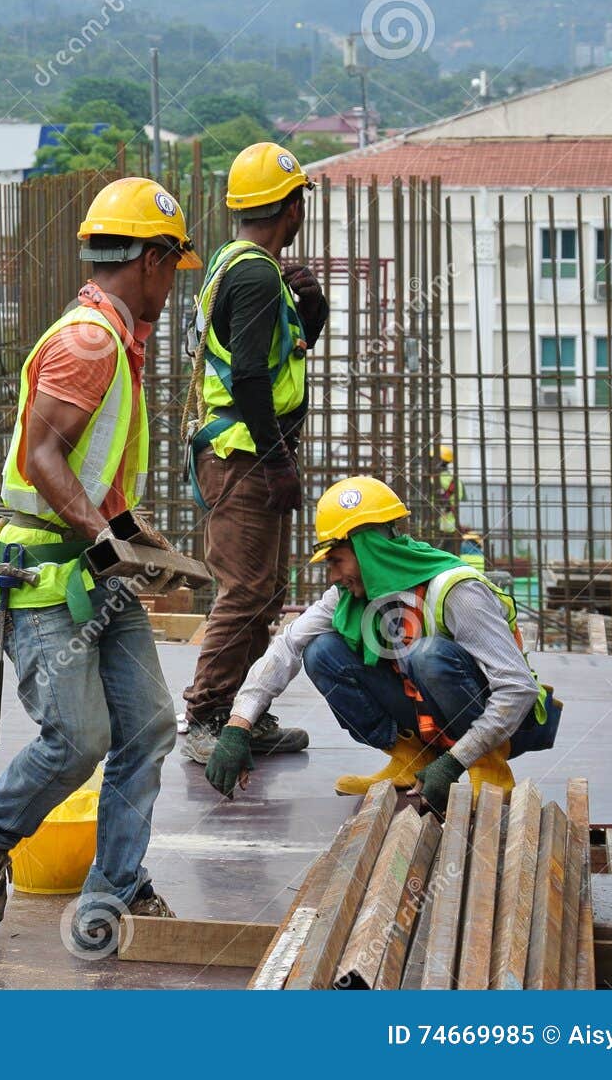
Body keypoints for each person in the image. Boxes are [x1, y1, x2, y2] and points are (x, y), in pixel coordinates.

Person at [0, 176, 195, 947]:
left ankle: (116, 887)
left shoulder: (116, 342)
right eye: (171, 269)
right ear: (151, 260)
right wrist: (101, 535)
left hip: (92, 573)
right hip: (49, 577)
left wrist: (129, 528)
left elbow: (90, 468)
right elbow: (42, 454)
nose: (172, 289)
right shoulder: (89, 342)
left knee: (149, 725)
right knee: (79, 738)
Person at [203, 476, 561, 812]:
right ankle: (410, 759)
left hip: (505, 725)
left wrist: (456, 761)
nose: (334, 576)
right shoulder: (348, 596)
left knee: (428, 656)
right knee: (321, 651)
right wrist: (239, 725)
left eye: (337, 561)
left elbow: (517, 688)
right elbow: (288, 646)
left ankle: (489, 768)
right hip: (429, 716)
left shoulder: (456, 591)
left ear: (368, 550)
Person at [181, 142, 329, 769]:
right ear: (290, 206)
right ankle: (206, 716)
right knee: (244, 592)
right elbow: (247, 378)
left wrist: (311, 306)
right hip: (244, 454)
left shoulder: (237, 263)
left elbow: (281, 354)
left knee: (264, 592)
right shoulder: (255, 273)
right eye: (300, 202)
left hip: (245, 450)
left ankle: (245, 712)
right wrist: (276, 461)